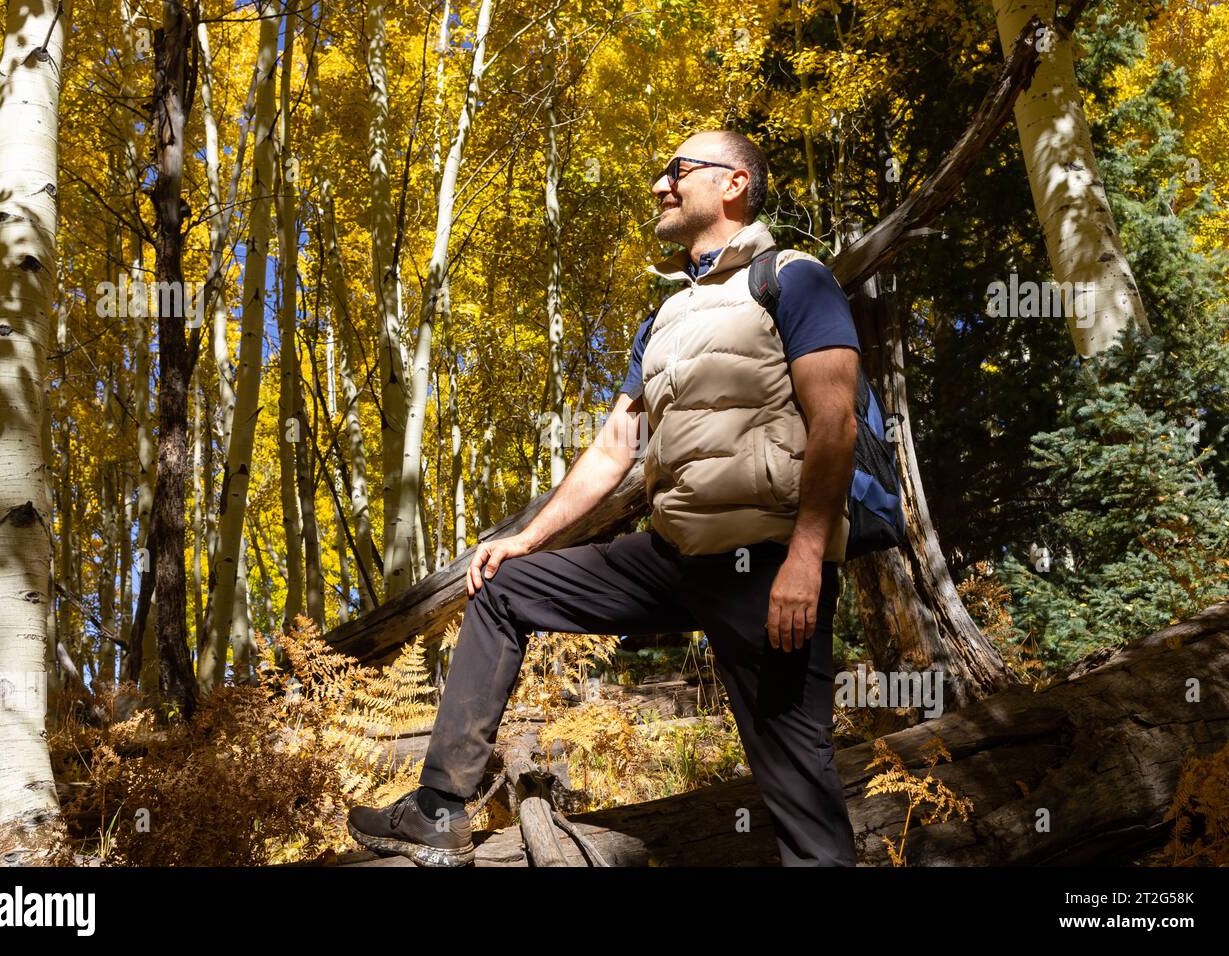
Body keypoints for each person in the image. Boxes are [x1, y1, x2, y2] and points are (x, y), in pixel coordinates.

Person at [347, 129, 861, 867]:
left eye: (678, 170)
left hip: (767, 563)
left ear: (734, 184)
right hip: (671, 554)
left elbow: (834, 419)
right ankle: (439, 809)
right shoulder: (665, 320)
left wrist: (808, 556)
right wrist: (528, 540)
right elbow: (615, 447)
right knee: (504, 587)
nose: (661, 185)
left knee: (802, 797)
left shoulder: (793, 278)